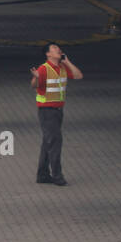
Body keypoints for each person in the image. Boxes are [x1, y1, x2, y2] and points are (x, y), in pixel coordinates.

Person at [30, 43, 83, 186]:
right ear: (48, 54)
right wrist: (35, 77)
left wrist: (67, 62)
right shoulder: (44, 69)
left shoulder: (63, 67)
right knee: (55, 142)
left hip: (58, 111)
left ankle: (42, 175)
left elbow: (78, 76)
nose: (58, 49)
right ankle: (57, 175)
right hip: (47, 111)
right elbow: (34, 85)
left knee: (48, 142)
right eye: (54, 48)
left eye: (58, 48)